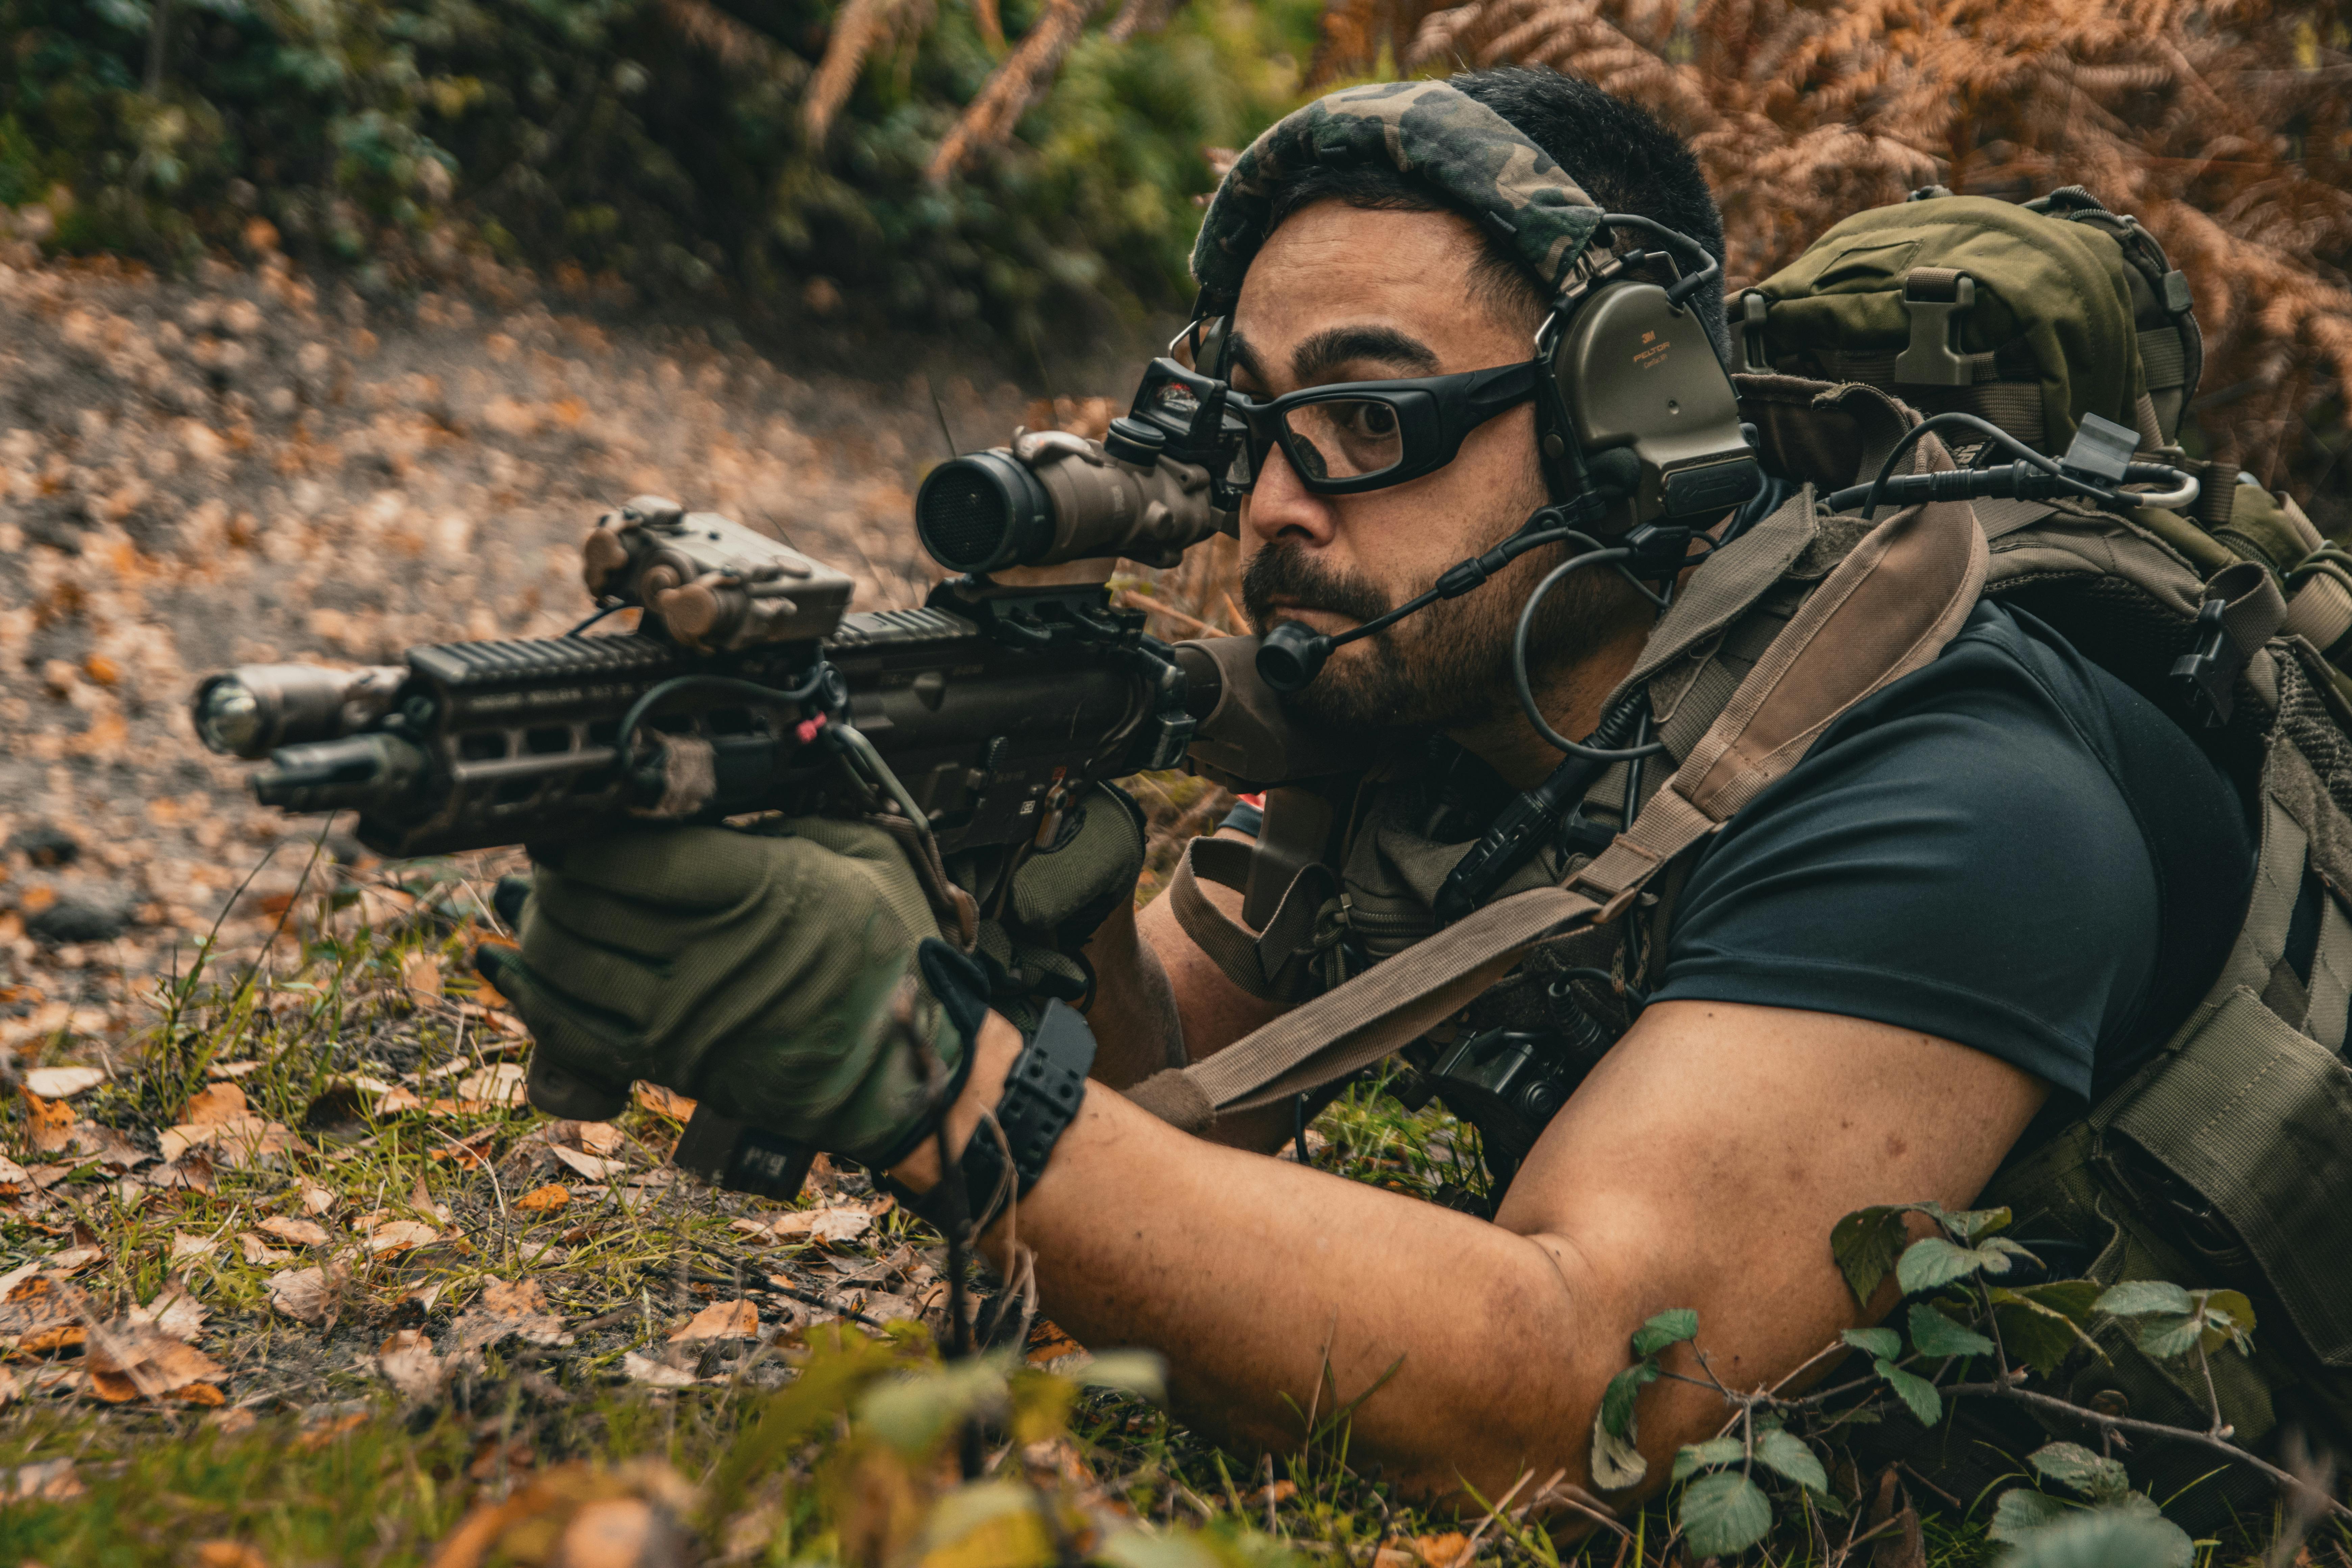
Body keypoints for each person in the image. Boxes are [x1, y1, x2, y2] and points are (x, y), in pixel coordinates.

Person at [486, 66, 2256, 1507]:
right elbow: (1183, 1123)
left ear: (1628, 426)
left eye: (1371, 418)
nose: (1273, 505)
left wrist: (928, 1072)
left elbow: (1581, 1402)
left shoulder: (1953, 791)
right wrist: (1050, 914)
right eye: (1250, 423)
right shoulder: (1450, 685)